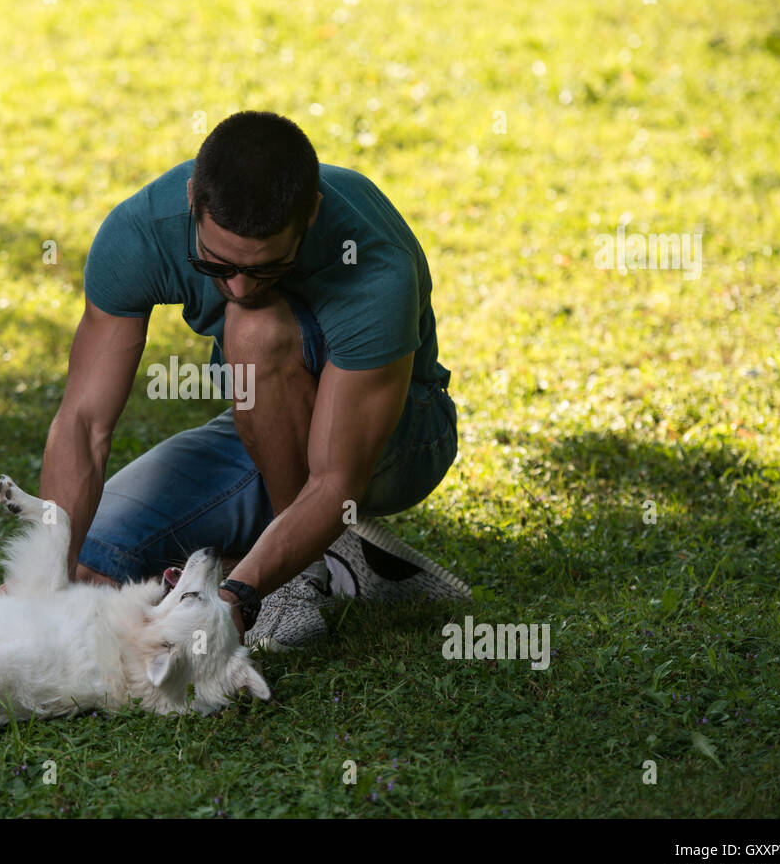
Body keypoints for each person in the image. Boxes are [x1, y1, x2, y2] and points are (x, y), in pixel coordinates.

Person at [36, 110, 466, 651]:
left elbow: (337, 480)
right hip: (269, 421)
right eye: (217, 265)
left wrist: (238, 598)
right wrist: (47, 577)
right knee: (95, 563)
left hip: (398, 438)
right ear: (193, 197)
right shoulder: (140, 231)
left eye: (265, 267)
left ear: (310, 214)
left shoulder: (373, 263)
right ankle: (343, 558)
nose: (237, 285)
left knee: (254, 325)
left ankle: (300, 577)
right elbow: (82, 422)